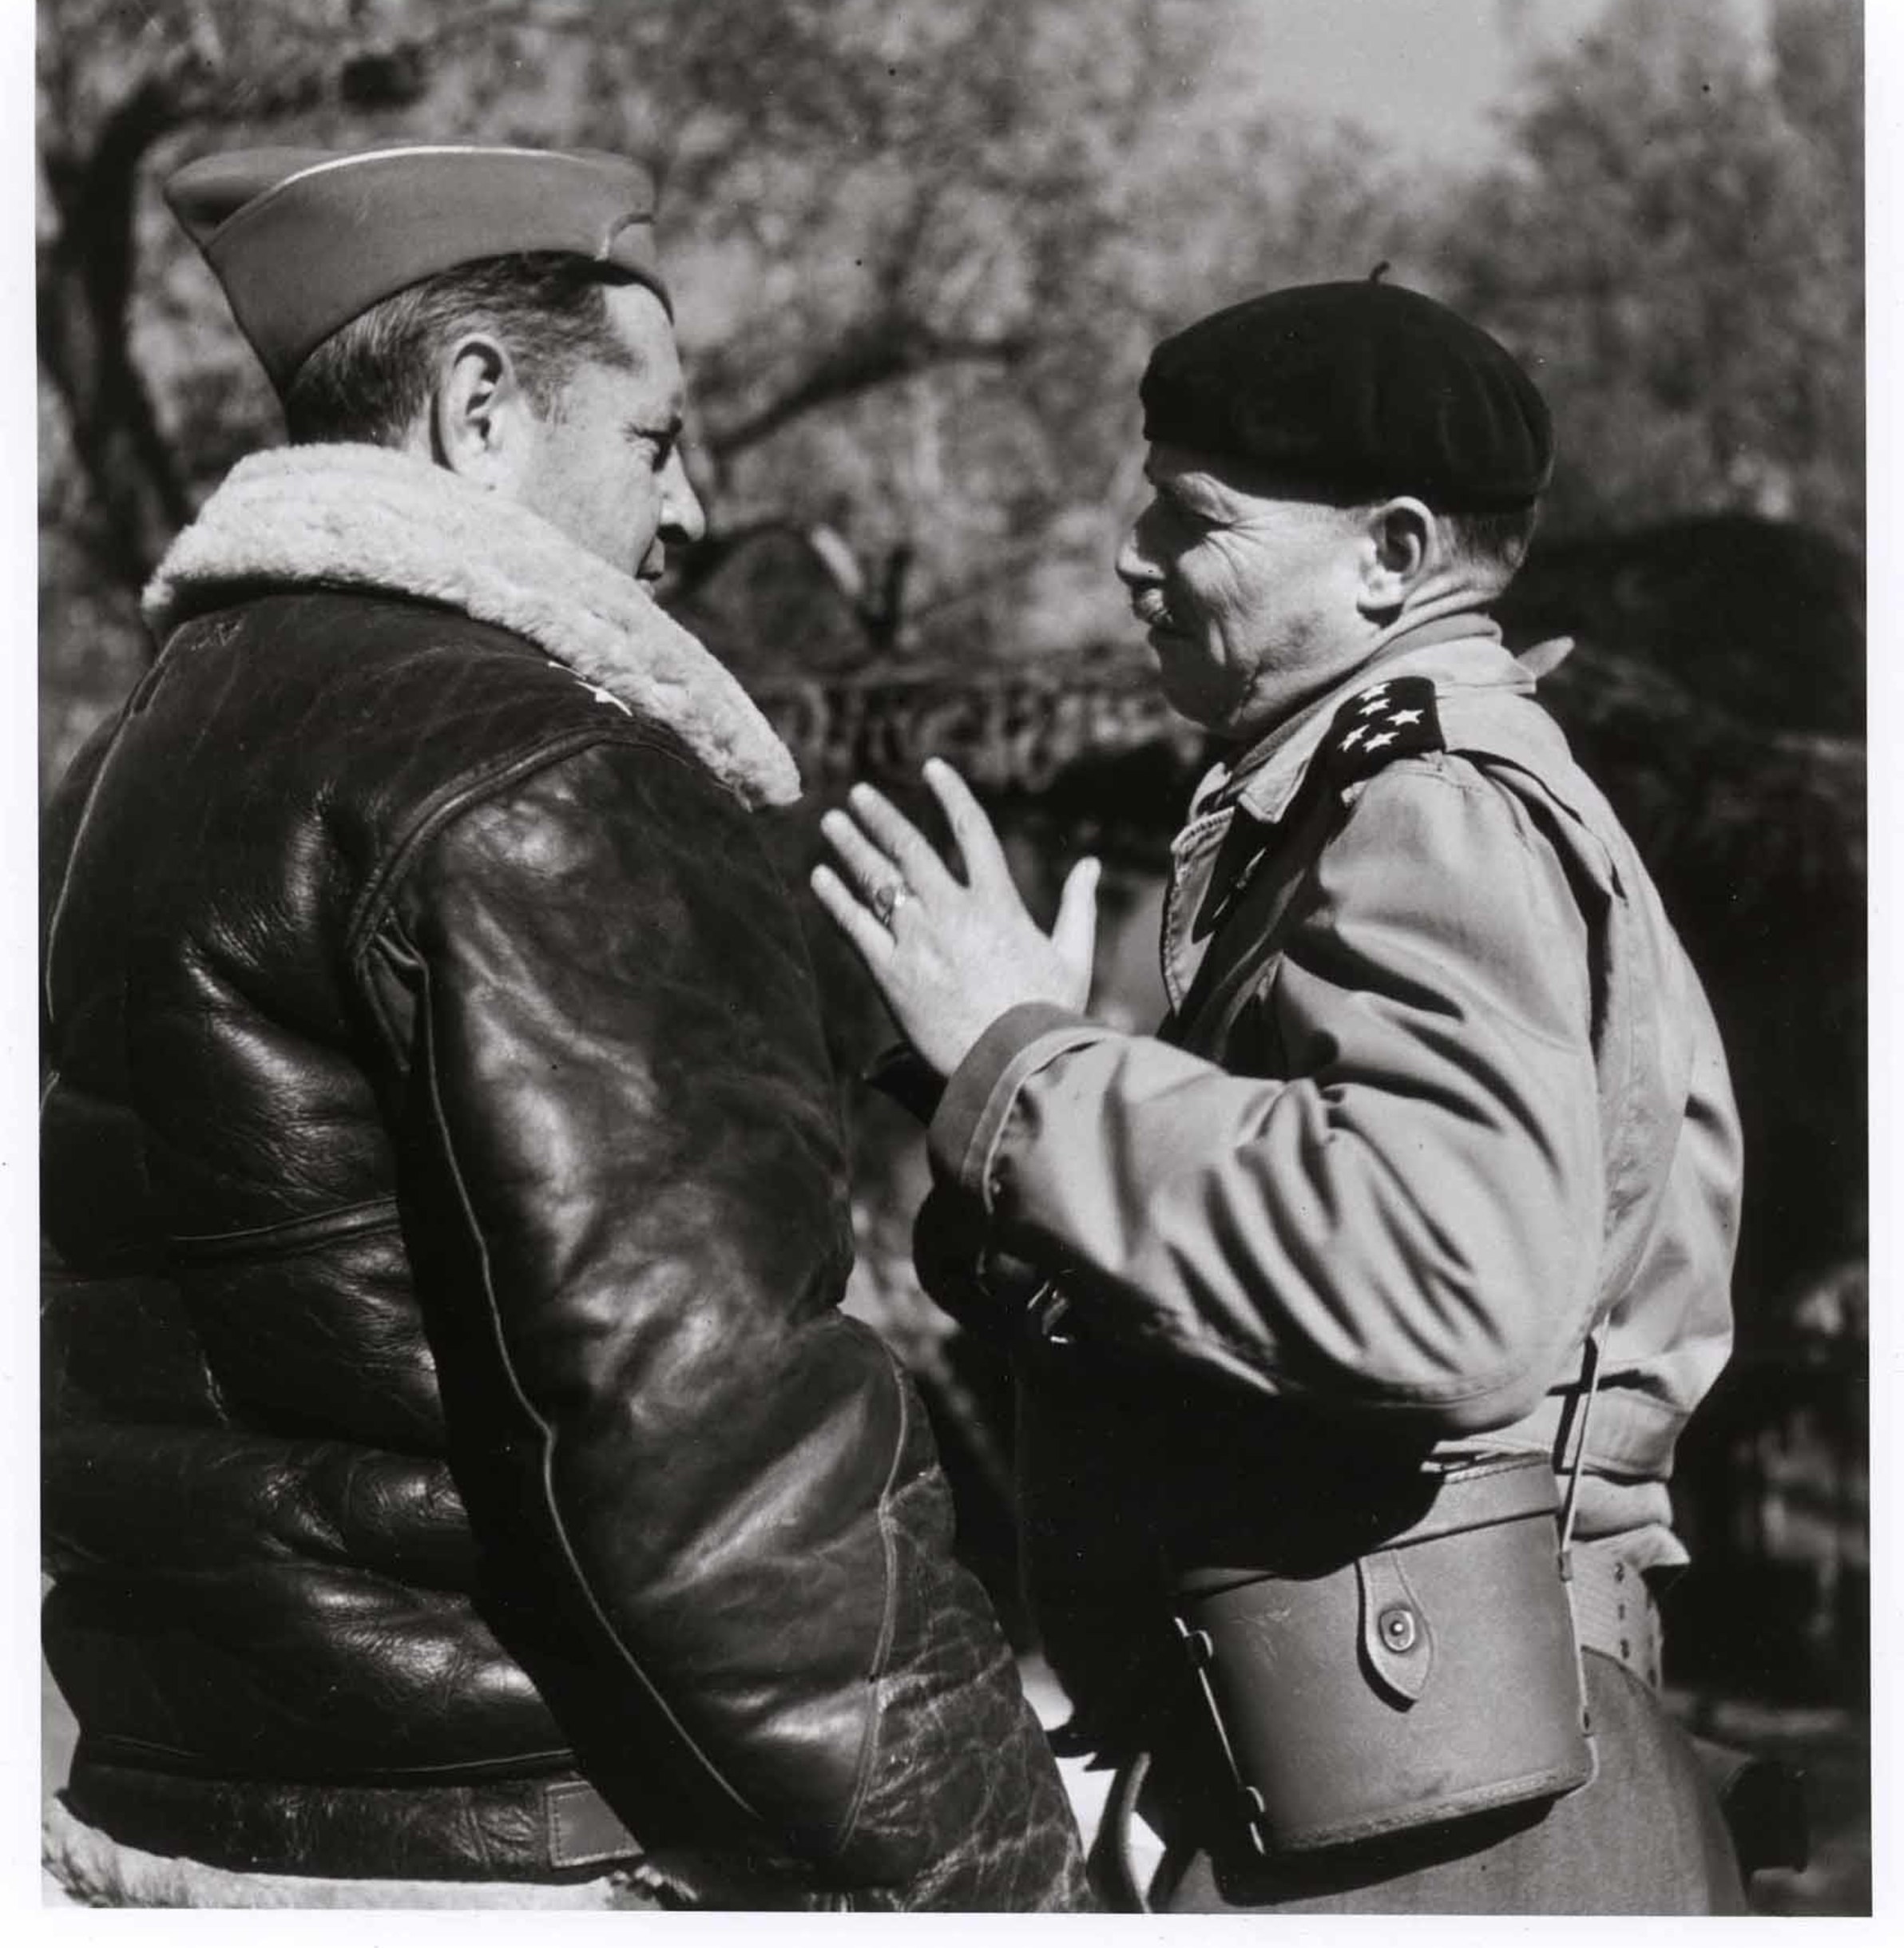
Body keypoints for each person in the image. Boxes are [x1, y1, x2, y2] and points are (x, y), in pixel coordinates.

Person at [40, 141, 1089, 1913]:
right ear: (476, 410)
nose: (685, 512)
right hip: (513, 1842)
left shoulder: (125, 767)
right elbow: (722, 1433)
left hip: (171, 1819)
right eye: (654, 437)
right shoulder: (544, 768)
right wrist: (1000, 1861)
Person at [812, 276, 1749, 1913]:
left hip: (1441, 1799)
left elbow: (1442, 1288)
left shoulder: (1428, 809)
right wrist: (994, 1111)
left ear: (1389, 555)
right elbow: (1281, 1295)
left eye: (1194, 519)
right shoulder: (1373, 796)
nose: (1130, 555)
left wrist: (1030, 1068)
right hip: (1400, 1761)